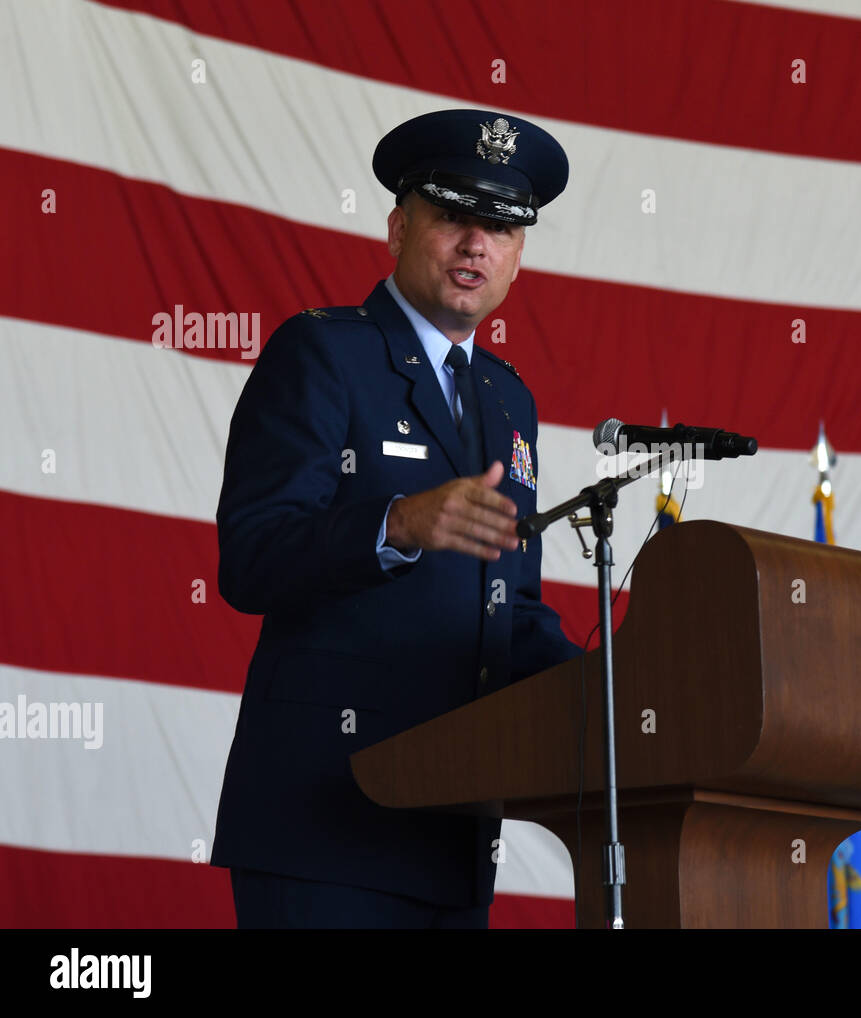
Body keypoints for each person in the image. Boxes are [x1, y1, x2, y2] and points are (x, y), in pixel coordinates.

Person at [210, 108, 583, 928]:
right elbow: (251, 557)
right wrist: (396, 525)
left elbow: (509, 612)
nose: (475, 244)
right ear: (397, 226)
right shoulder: (322, 354)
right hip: (322, 832)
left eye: (501, 227)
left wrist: (617, 685)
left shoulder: (507, 398)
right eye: (452, 215)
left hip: (450, 836)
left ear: (520, 254)